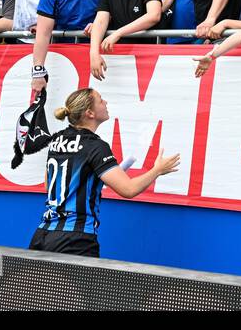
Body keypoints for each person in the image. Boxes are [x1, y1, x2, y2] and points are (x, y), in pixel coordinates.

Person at [27, 86, 179, 257]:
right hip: (75, 240)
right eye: (100, 100)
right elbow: (128, 189)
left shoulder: (57, 140)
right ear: (89, 113)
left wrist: (90, 181)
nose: (105, 102)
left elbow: (50, 186)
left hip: (42, 235)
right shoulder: (95, 146)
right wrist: (157, 170)